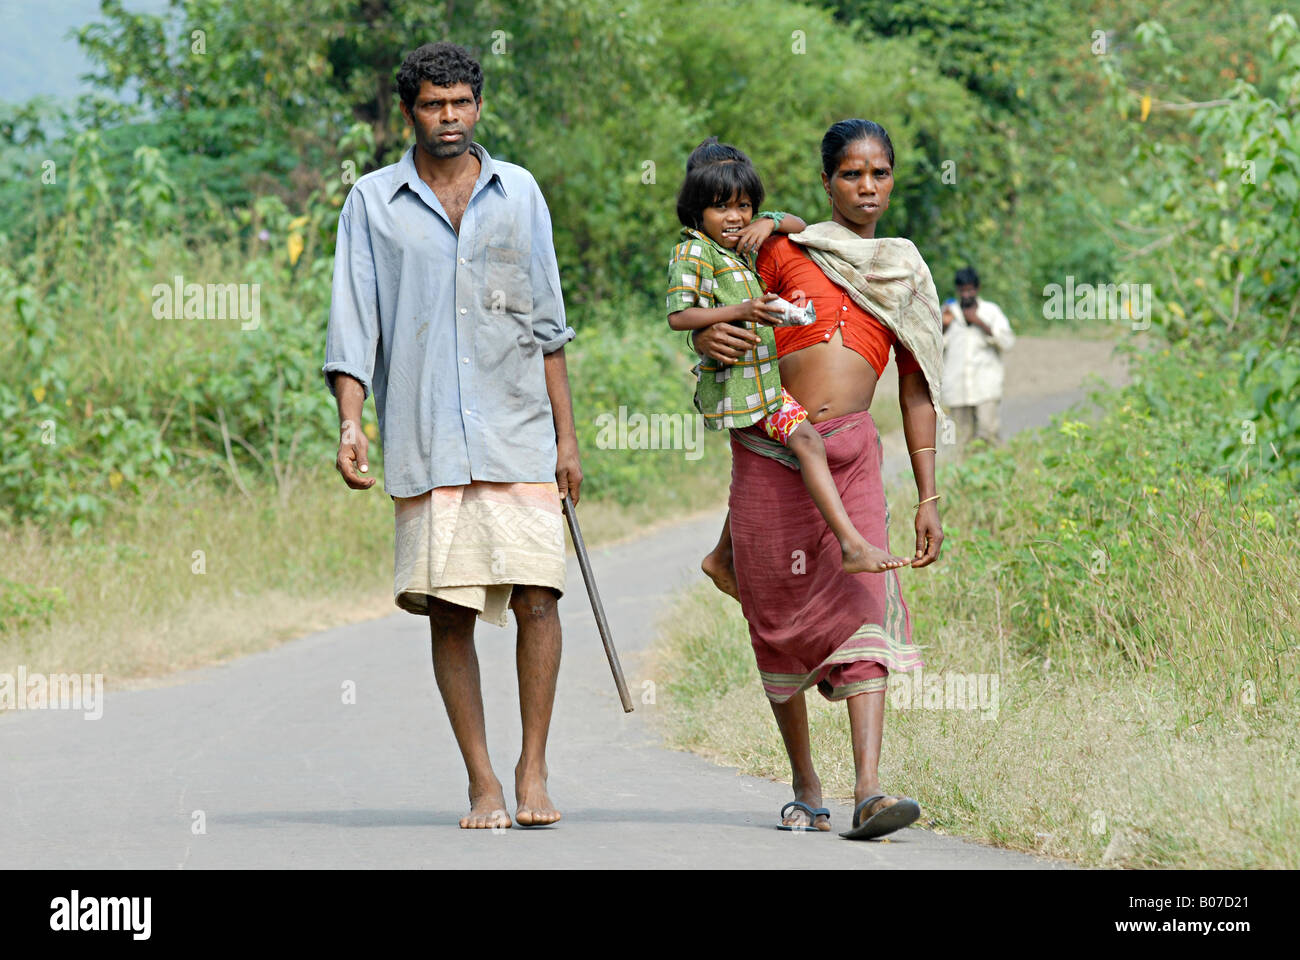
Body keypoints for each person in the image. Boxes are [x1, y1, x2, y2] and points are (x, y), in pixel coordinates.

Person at [322, 42, 580, 830]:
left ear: (478, 105)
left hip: (520, 428)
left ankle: (532, 769)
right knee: (449, 609)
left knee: (540, 595)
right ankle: (482, 783)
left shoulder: (519, 192)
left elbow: (549, 324)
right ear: (410, 112)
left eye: (462, 103)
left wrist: (568, 440)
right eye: (434, 105)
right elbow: (352, 323)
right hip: (426, 435)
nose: (450, 118)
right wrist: (349, 423)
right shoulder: (371, 202)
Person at [691, 119, 945, 838]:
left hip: (853, 450)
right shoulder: (786, 248)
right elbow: (721, 296)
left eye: (880, 174)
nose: (867, 187)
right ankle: (806, 782)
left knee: (866, 600)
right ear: (828, 180)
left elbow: (917, 390)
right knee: (773, 615)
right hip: (772, 445)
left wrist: (929, 499)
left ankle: (870, 790)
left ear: (893, 180)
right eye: (851, 175)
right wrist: (711, 333)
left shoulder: (901, 268)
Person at [665, 138, 914, 602]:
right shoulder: (697, 253)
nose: (735, 217)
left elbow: (798, 235)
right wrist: (714, 327)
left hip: (766, 380)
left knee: (802, 444)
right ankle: (848, 545)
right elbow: (683, 314)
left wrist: (772, 222)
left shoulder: (752, 245)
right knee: (803, 442)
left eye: (744, 204)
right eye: (721, 206)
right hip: (748, 385)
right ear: (696, 208)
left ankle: (724, 556)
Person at [940, 266, 1015, 448]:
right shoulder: (948, 314)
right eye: (963, 290)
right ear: (957, 290)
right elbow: (932, 347)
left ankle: (996, 472)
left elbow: (1007, 342)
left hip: (985, 387)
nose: (966, 294)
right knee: (961, 440)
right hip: (956, 389)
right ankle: (964, 474)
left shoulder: (991, 312)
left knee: (989, 434)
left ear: (977, 288)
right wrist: (943, 327)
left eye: (970, 289)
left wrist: (979, 322)